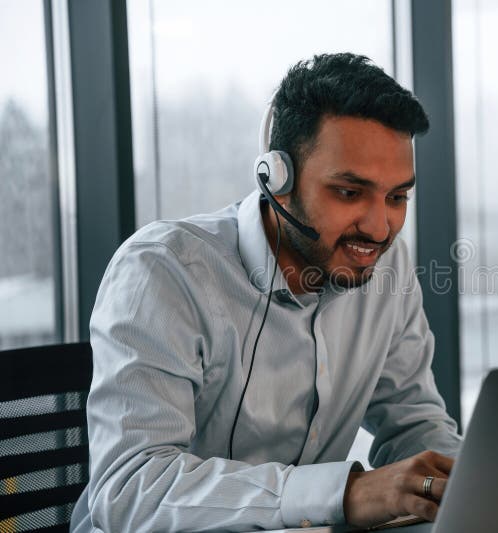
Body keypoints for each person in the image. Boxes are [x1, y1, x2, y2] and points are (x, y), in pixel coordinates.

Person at [70, 53, 461, 532]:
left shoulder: (385, 267)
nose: (380, 227)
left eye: (397, 197)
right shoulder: (164, 272)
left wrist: (466, 481)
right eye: (348, 192)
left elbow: (412, 421)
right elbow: (130, 490)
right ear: (277, 179)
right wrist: (346, 493)